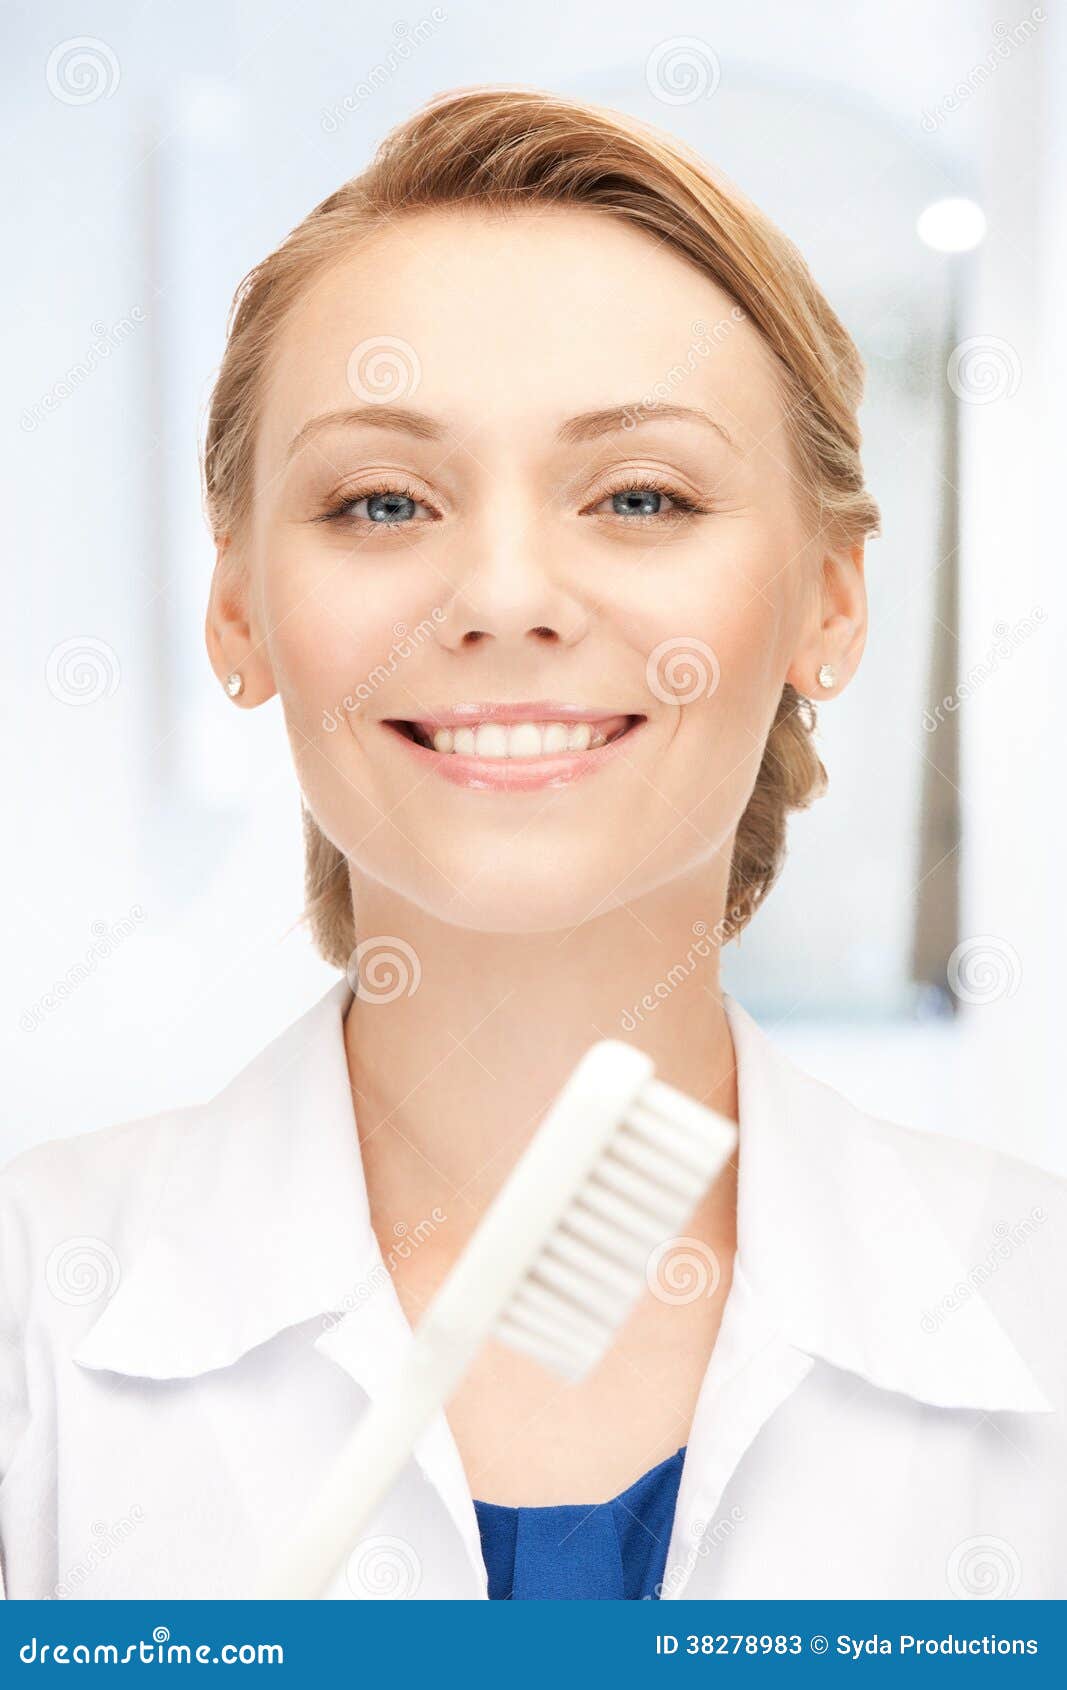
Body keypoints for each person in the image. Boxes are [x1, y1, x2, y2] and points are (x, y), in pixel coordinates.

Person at [2, 86, 1063, 1601]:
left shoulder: (1040, 1317)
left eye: (640, 495)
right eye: (383, 501)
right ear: (237, 608)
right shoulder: (30, 1329)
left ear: (831, 601)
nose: (503, 596)